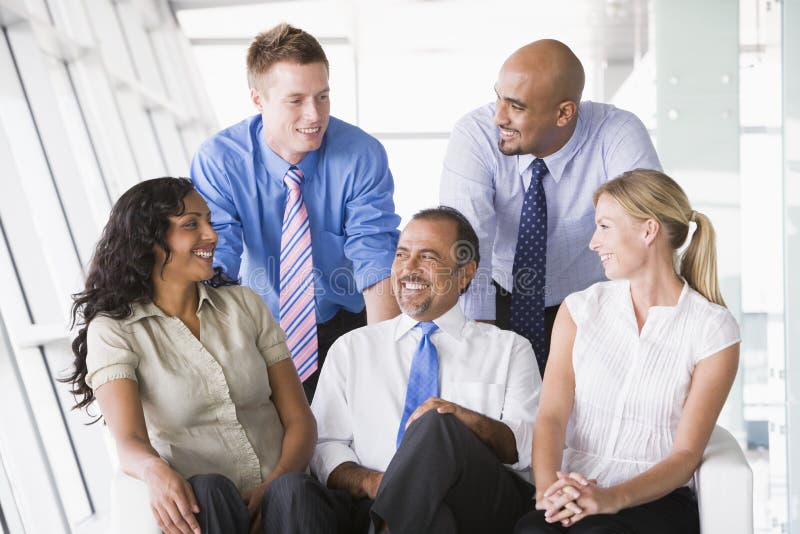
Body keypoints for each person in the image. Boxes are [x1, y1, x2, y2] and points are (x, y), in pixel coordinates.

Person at [63, 178, 340, 534]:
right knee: (206, 490)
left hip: (286, 500)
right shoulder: (115, 331)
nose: (211, 235)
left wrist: (276, 484)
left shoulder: (245, 306)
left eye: (208, 221)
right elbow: (129, 441)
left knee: (294, 491)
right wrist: (154, 471)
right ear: (149, 240)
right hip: (204, 510)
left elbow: (300, 419)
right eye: (191, 224)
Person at [513, 169, 740, 534]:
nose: (593, 242)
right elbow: (552, 415)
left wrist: (609, 499)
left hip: (654, 501)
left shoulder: (713, 329)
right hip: (572, 488)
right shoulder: (579, 309)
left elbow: (685, 456)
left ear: (648, 230)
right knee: (532, 530)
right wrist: (547, 493)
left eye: (604, 227)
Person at [191, 23, 401, 401]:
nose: (314, 114)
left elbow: (376, 257)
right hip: (262, 322)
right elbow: (214, 259)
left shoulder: (360, 155)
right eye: (296, 100)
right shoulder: (220, 161)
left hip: (350, 317)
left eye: (322, 97)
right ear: (258, 100)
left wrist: (386, 361)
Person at [310, 207, 542, 534]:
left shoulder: (510, 349)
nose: (409, 269)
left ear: (465, 273)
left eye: (428, 257)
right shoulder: (352, 349)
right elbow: (324, 444)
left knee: (438, 423)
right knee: (434, 519)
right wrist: (374, 482)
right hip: (374, 502)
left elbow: (530, 449)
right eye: (402, 255)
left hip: (479, 506)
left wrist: (466, 420)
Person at [440, 39, 662, 374]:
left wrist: (640, 335)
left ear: (564, 113)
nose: (499, 117)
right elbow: (469, 249)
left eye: (516, 106)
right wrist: (482, 352)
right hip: (498, 296)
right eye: (498, 97)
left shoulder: (616, 133)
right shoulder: (475, 136)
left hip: (593, 302)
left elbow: (645, 234)